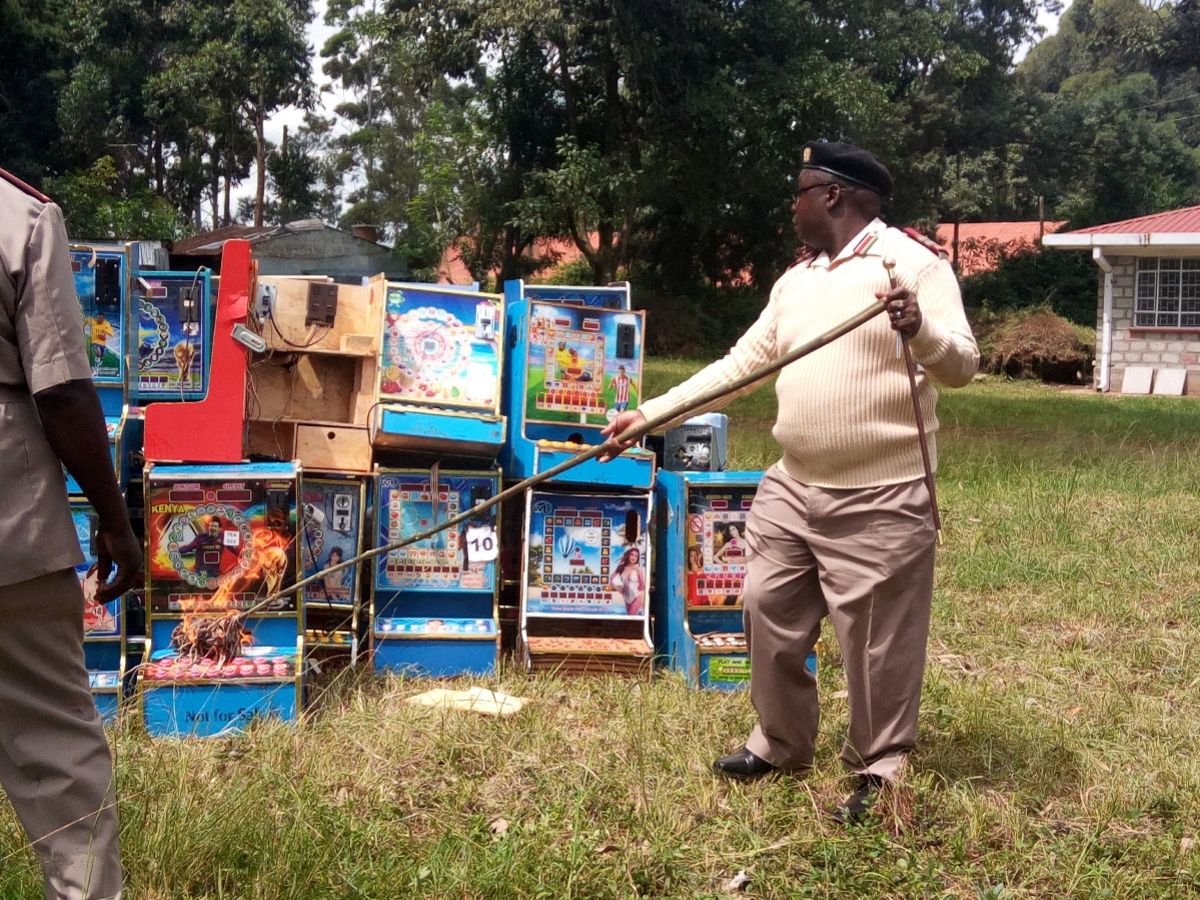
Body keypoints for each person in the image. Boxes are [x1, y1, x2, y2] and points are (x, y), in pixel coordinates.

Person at [602, 140, 978, 823]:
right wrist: (648, 416)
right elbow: (742, 364)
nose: (792, 205)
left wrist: (920, 329)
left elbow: (962, 366)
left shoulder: (913, 265)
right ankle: (780, 743)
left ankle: (880, 768)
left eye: (799, 191)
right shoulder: (798, 281)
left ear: (831, 195)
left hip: (881, 494)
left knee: (877, 643)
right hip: (793, 485)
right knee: (764, 604)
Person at [1, 165, 142, 898]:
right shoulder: (20, 218)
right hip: (12, 541)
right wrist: (115, 523)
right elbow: (60, 391)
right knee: (59, 760)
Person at [608, 547, 647, 615]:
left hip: (636, 597)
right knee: (629, 617)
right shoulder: (621, 567)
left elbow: (642, 587)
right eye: (632, 555)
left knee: (631, 616)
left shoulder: (638, 569)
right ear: (628, 555)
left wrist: (639, 574)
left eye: (636, 556)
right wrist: (618, 588)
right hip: (626, 598)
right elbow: (611, 578)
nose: (634, 557)